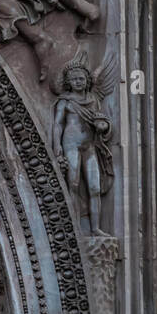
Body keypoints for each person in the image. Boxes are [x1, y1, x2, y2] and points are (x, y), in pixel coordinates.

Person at [51, 61, 113, 235]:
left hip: (90, 145)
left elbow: (101, 119)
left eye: (81, 78)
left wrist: (104, 126)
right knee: (74, 184)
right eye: (74, 79)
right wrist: (57, 147)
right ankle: (75, 227)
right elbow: (57, 125)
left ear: (87, 80)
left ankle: (95, 228)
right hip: (70, 144)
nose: (78, 82)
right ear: (68, 83)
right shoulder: (65, 101)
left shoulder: (93, 100)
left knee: (94, 187)